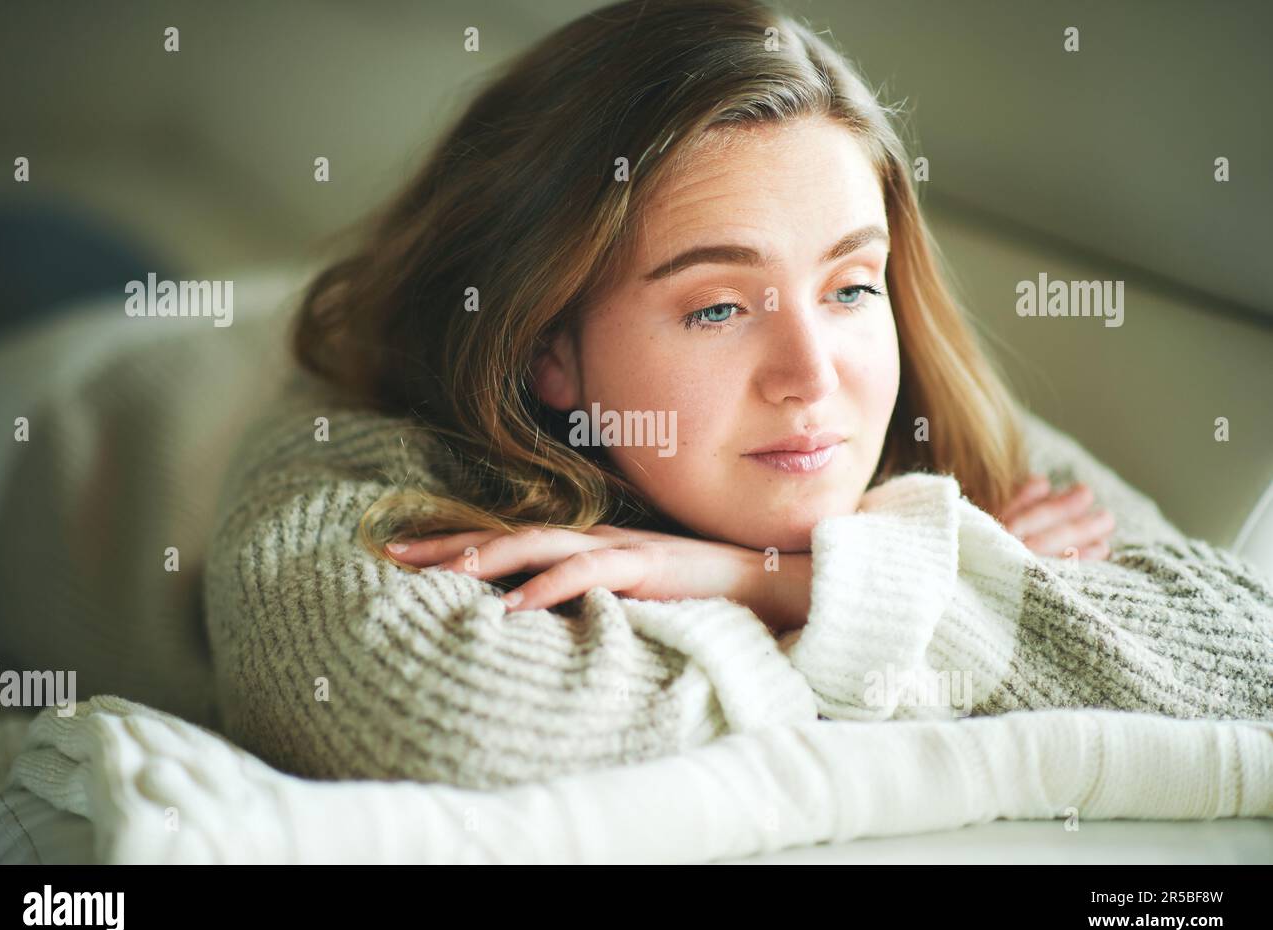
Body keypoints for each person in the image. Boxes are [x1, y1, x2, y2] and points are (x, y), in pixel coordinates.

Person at [203, 0, 1273, 789]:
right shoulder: (353, 460)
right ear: (546, 351)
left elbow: (1249, 661)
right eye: (717, 307)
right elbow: (452, 726)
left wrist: (780, 581)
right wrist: (950, 601)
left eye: (851, 286)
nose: (813, 375)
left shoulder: (899, 417)